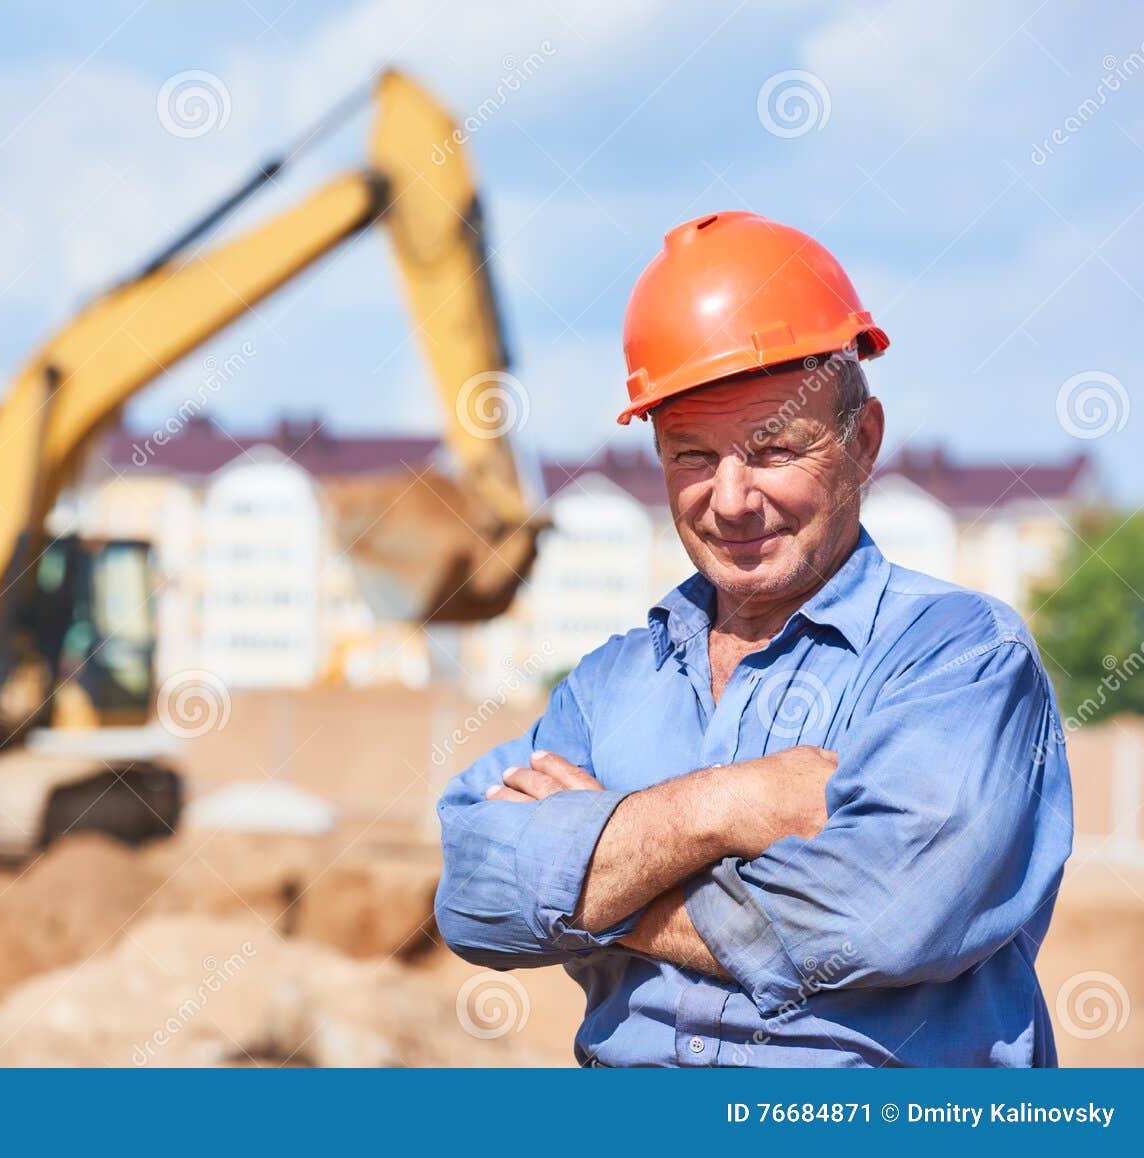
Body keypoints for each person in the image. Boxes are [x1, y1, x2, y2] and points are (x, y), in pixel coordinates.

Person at [434, 211, 1073, 1067]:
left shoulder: (959, 660)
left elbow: (873, 919)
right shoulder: (613, 682)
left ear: (864, 443)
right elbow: (473, 895)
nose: (729, 500)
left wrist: (589, 879)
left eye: (773, 450)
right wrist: (726, 806)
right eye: (692, 456)